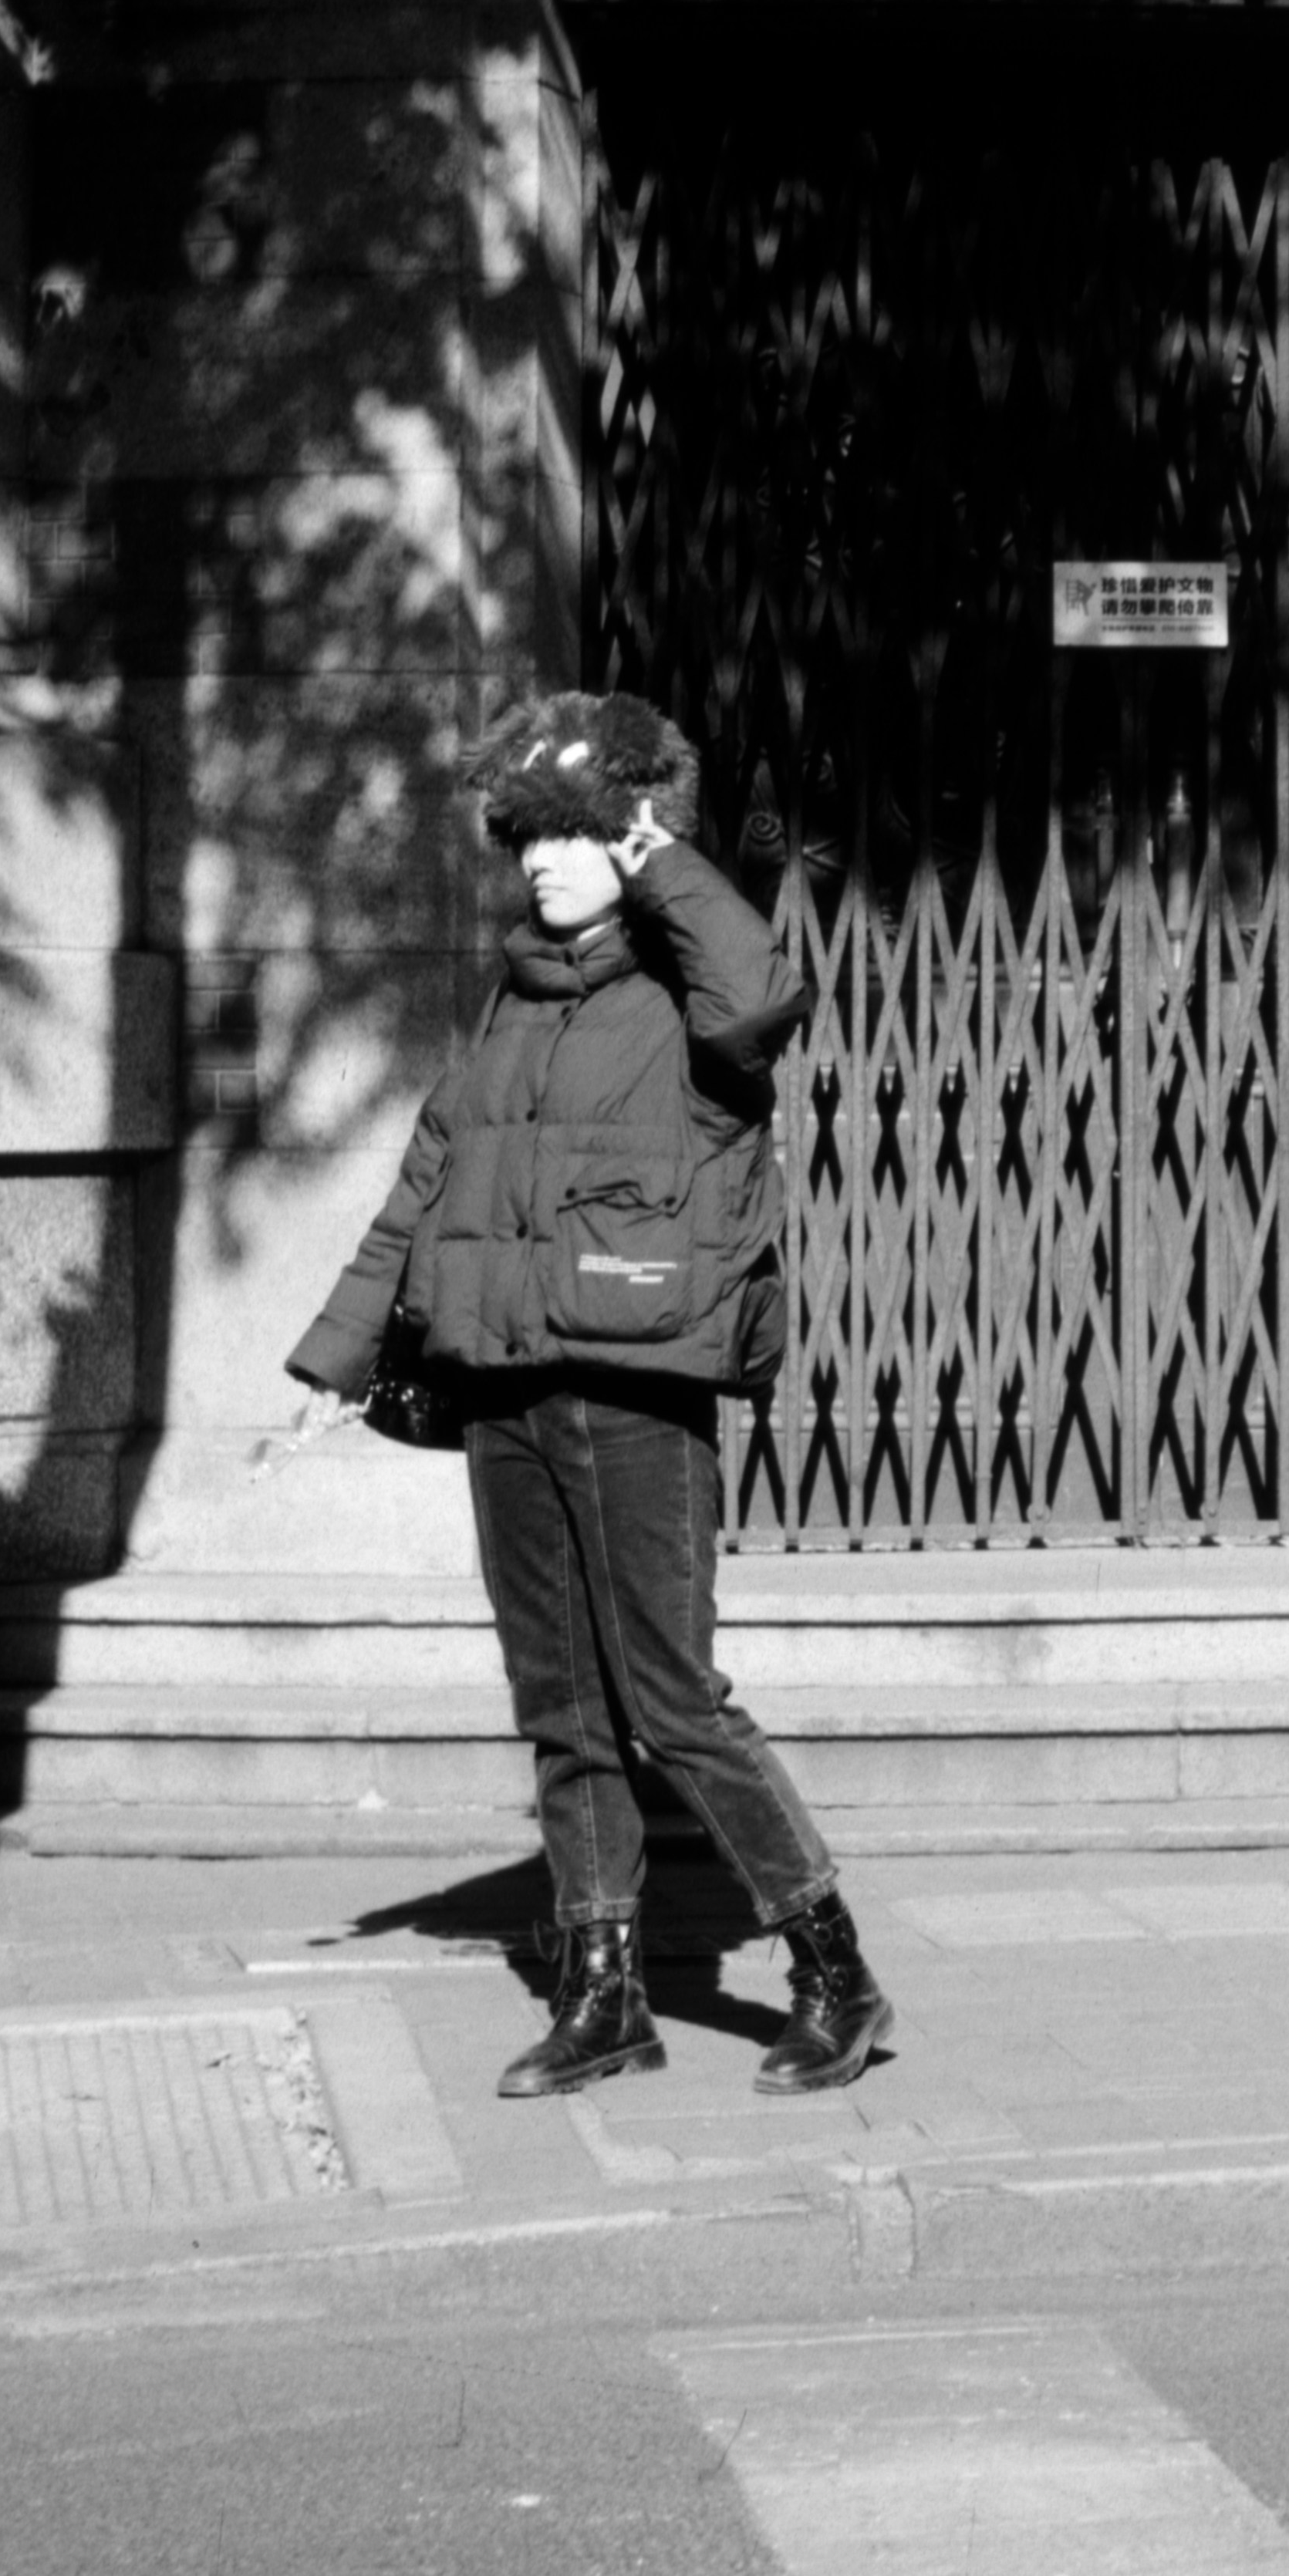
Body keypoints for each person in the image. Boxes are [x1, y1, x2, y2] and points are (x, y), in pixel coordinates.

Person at [275, 691, 894, 2099]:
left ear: (632, 835)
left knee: (673, 1703)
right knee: (559, 1707)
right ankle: (603, 1993)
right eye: (529, 841)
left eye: (574, 838)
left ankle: (834, 1973)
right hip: (506, 1391)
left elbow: (762, 986)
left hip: (634, 1386)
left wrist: (655, 846)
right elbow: (430, 1183)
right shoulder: (513, 1003)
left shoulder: (695, 999)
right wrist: (335, 1360)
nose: (545, 865)